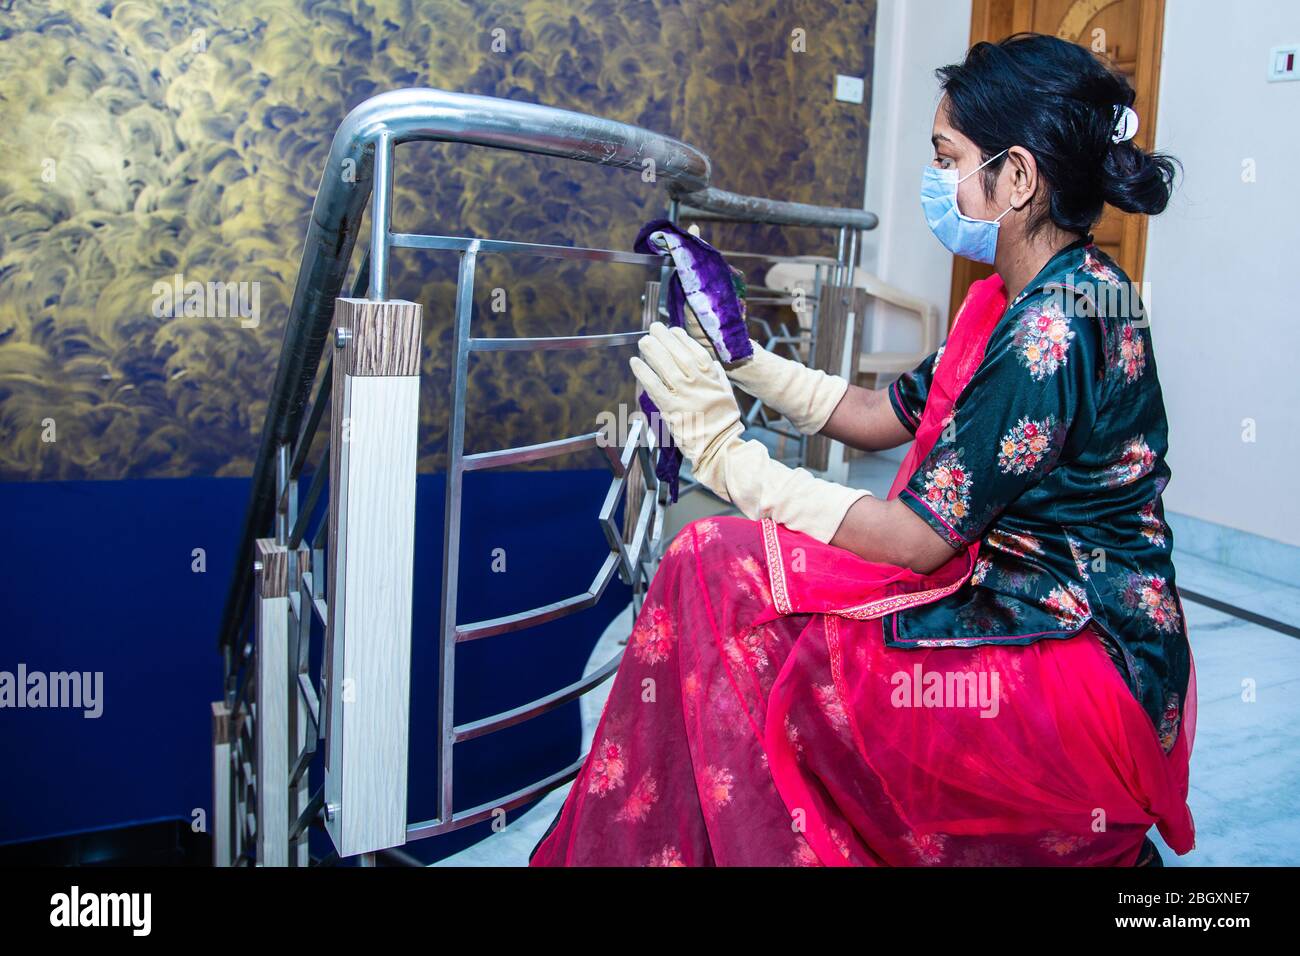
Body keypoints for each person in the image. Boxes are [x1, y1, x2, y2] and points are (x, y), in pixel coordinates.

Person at [530, 33, 1194, 867]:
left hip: (1070, 658)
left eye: (948, 159)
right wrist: (745, 357)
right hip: (1022, 600)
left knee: (727, 577)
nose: (939, 183)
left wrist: (729, 455)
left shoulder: (1051, 331)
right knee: (718, 563)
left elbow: (917, 537)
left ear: (1017, 179)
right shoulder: (1023, 295)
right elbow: (884, 413)